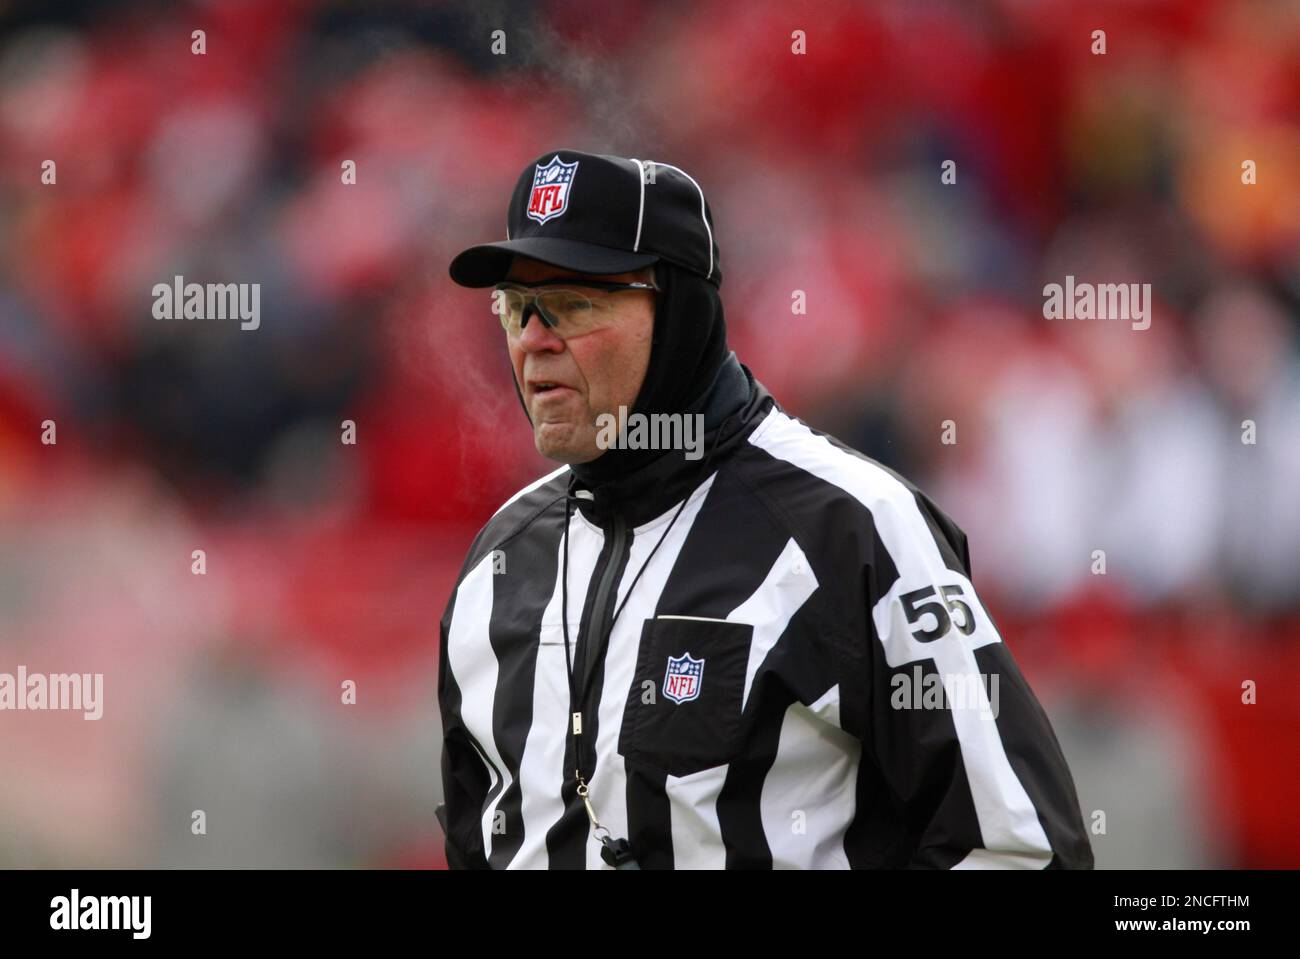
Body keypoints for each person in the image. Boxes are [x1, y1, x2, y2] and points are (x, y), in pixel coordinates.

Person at [435, 149, 1094, 869]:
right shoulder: (499, 561)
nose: (533, 339)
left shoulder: (853, 527)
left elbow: (1022, 847)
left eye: (571, 304)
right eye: (513, 306)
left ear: (679, 311)